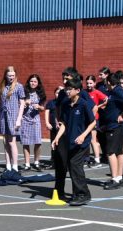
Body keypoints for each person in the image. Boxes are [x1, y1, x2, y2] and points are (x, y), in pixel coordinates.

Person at [51, 78, 95, 206]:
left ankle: (83, 194)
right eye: (66, 89)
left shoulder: (84, 104)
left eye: (70, 89)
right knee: (72, 166)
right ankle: (78, 193)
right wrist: (57, 137)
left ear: (78, 90)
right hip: (70, 141)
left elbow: (93, 123)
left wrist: (83, 135)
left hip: (82, 142)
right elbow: (63, 124)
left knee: (75, 165)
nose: (67, 91)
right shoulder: (66, 104)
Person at [97, 72, 123, 189]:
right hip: (113, 125)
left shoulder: (117, 91)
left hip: (115, 126)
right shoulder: (113, 92)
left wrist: (122, 114)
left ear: (108, 82)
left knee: (110, 152)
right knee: (118, 152)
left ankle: (115, 179)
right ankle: (119, 177)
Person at [0, 66, 26, 172]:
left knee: (12, 141)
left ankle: (15, 166)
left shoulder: (19, 87)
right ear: (6, 76)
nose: (11, 77)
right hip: (3, 116)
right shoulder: (2, 86)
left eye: (13, 75)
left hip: (13, 116)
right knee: (5, 141)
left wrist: (19, 119)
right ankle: (7, 165)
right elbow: (0, 104)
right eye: (9, 75)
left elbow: (22, 104)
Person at [20, 74, 46, 171]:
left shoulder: (40, 93)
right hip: (25, 120)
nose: (33, 83)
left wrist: (39, 107)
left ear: (38, 83)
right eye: (31, 81)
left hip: (35, 120)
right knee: (26, 143)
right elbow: (19, 104)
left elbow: (43, 108)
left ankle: (36, 162)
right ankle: (27, 164)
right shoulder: (23, 92)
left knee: (38, 142)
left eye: (35, 81)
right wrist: (24, 104)